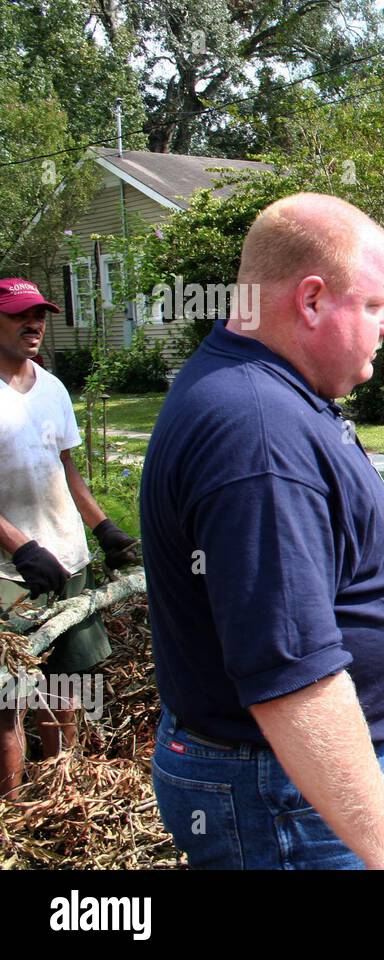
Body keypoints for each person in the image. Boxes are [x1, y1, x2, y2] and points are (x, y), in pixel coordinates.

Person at [140, 193, 384, 869]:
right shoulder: (259, 433)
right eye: (374, 304)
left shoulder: (272, 391)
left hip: (283, 783)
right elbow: (291, 680)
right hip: (281, 793)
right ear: (311, 301)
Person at [0, 277, 139, 796]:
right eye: (19, 315)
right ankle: (12, 814)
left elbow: (66, 470)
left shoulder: (53, 388)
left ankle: (60, 794)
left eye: (39, 315)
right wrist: (22, 547)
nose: (33, 325)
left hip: (68, 559)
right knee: (8, 695)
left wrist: (104, 528)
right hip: (8, 575)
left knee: (66, 685)